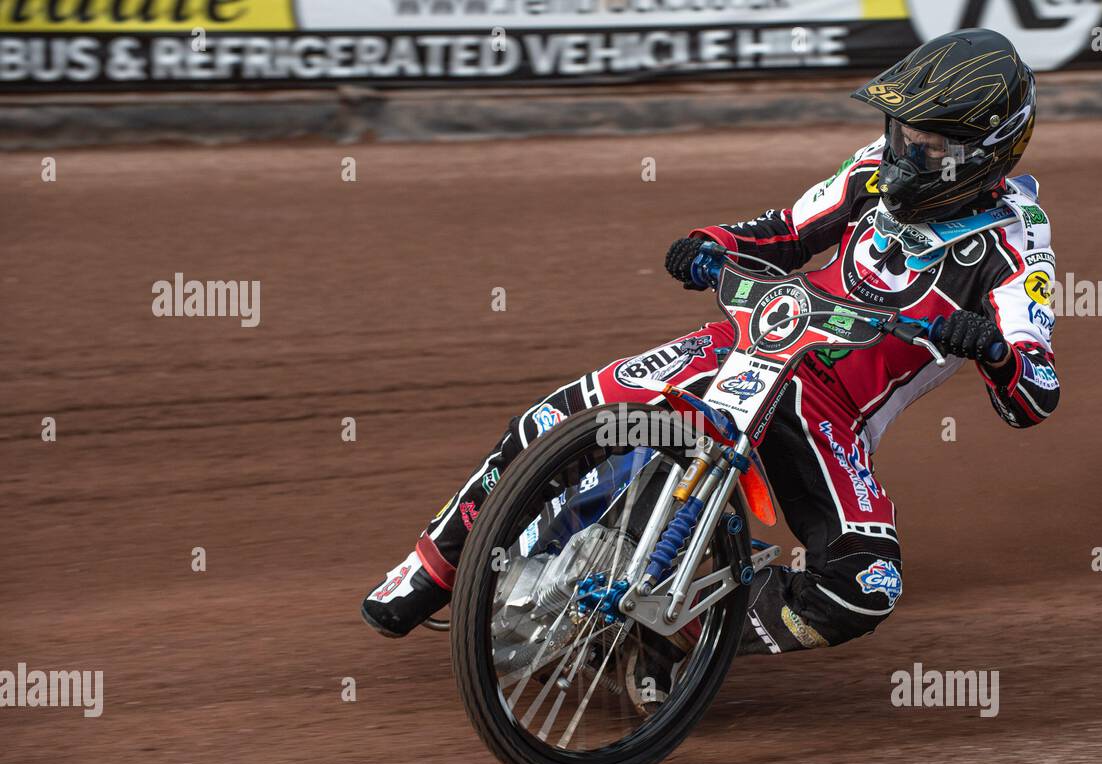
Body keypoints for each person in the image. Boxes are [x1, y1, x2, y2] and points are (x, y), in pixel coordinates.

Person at [361, 27, 1060, 668]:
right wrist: (712, 243)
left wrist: (995, 352)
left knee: (864, 585)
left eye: (926, 146)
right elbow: (786, 230)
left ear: (983, 154)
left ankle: (684, 637)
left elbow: (1035, 393)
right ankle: (432, 567)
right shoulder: (877, 167)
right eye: (901, 133)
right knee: (563, 415)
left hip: (830, 411)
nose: (903, 153)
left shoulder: (1014, 244)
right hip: (755, 337)